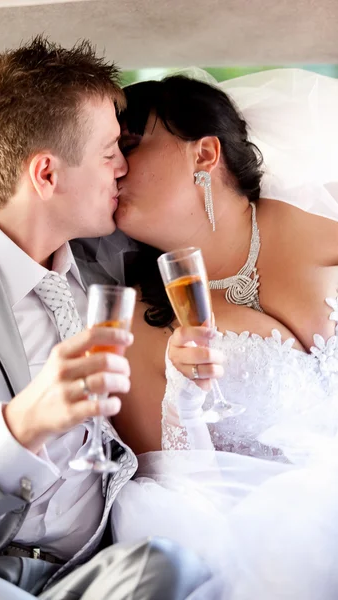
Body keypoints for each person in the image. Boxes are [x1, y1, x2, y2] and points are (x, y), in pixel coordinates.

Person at [0, 37, 208, 600]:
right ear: (47, 174)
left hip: (91, 568)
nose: (124, 169)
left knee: (173, 567)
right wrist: (22, 425)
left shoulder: (110, 257)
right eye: (109, 154)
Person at [109, 69, 338, 598]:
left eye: (130, 145)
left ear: (205, 154)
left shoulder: (324, 222)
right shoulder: (137, 325)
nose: (115, 168)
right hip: (273, 558)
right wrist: (182, 404)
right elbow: (183, 502)